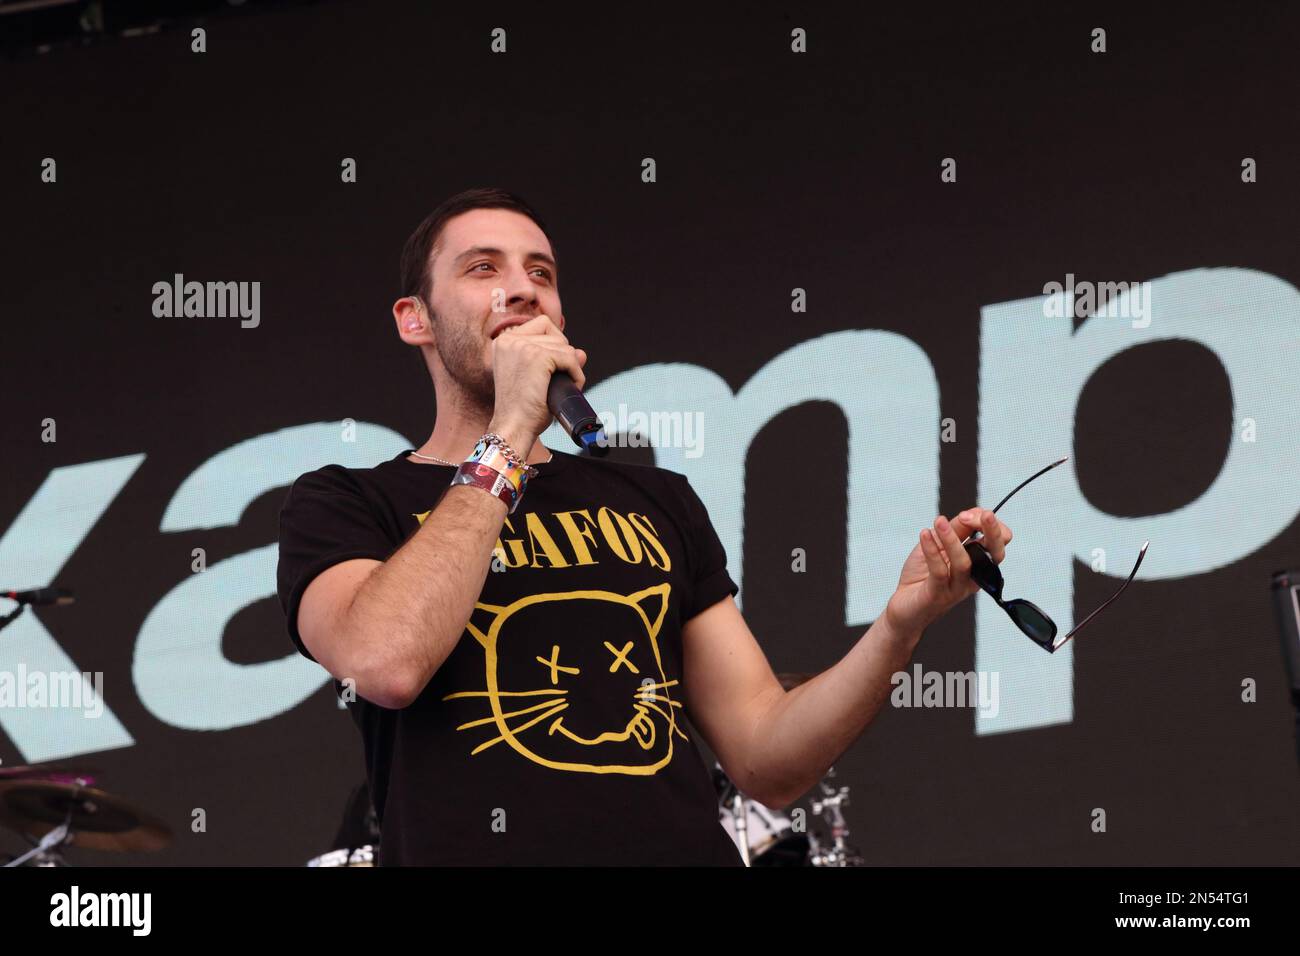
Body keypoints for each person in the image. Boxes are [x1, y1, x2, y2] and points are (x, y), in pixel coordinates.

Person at [275, 186, 1013, 865]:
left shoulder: (655, 499)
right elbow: (386, 663)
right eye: (481, 267)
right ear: (416, 320)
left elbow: (766, 759)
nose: (522, 287)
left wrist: (898, 626)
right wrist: (507, 436)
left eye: (542, 272)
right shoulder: (344, 503)